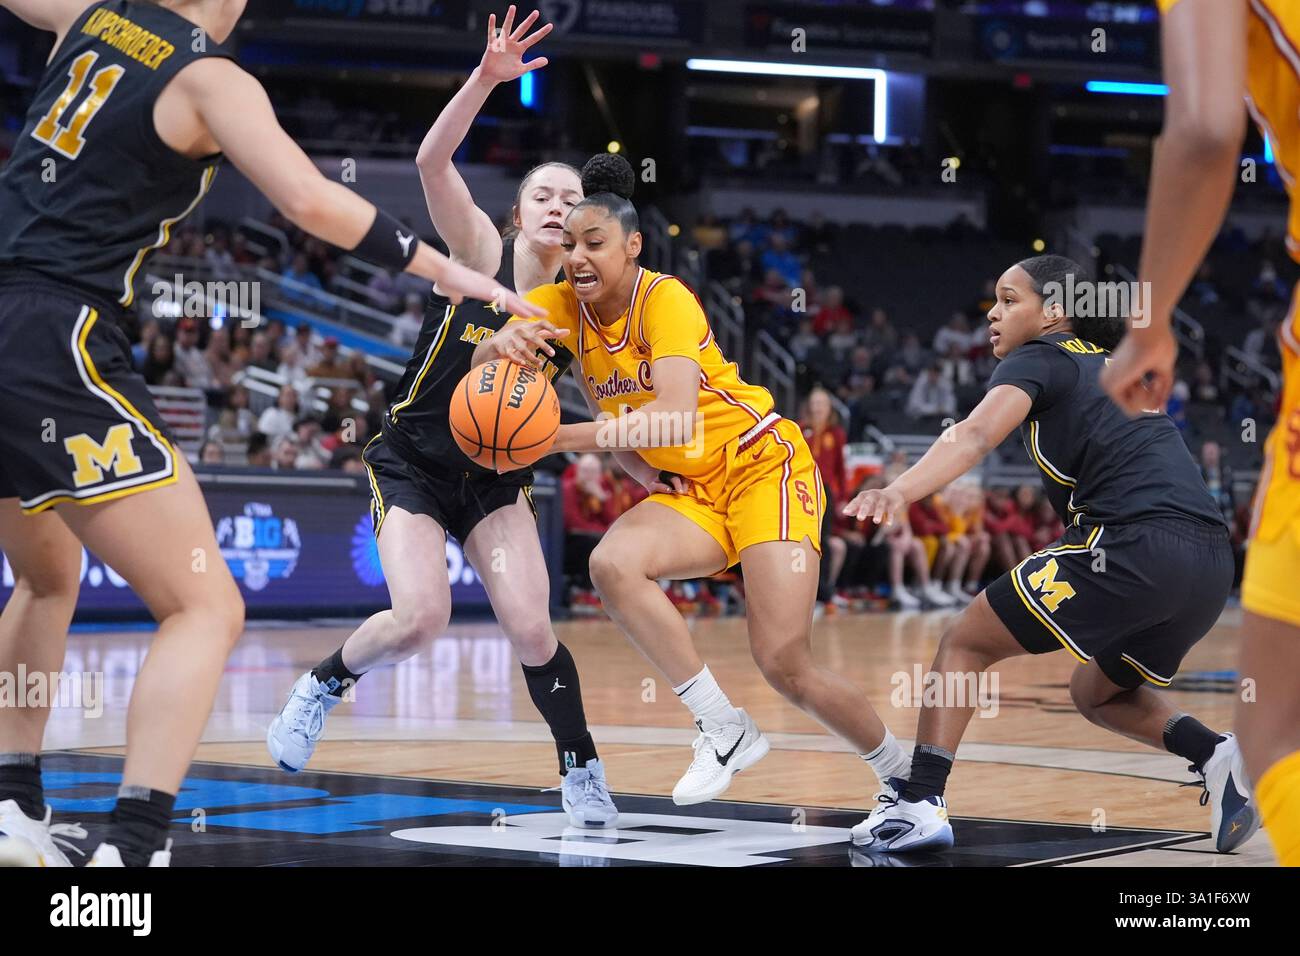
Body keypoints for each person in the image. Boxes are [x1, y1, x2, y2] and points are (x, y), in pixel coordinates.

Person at [0, 0, 540, 869]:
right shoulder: (209, 76)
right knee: (205, 605)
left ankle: (11, 808)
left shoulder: (87, 14)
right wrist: (449, 272)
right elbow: (309, 201)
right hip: (55, 331)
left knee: (46, 576)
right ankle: (131, 851)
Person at [266, 7, 618, 827]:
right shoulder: (477, 256)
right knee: (421, 618)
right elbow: (432, 161)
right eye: (544, 193)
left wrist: (643, 448)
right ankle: (322, 685)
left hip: (498, 480)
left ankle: (581, 768)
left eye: (573, 197)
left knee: (534, 629)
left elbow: (608, 411)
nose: (559, 205)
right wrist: (486, 79)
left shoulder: (581, 313)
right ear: (521, 210)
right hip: (414, 465)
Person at [477, 153, 912, 807]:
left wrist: (552, 439)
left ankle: (906, 778)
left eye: (595, 242)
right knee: (614, 564)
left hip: (764, 466)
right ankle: (723, 727)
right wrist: (494, 350)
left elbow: (674, 418)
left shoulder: (665, 298)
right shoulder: (561, 307)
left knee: (785, 663)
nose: (579, 257)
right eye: (569, 244)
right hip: (696, 491)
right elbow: (492, 351)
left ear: (633, 245)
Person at [848, 255, 1258, 854]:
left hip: (1131, 543)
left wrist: (898, 489)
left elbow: (972, 434)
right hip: (1210, 563)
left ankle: (919, 803)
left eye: (1010, 299)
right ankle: (1215, 754)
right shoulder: (1119, 370)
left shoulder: (1040, 356)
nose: (994, 312)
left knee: (964, 641)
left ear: (1056, 313)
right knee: (1097, 693)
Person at [1101, 0, 1300, 867]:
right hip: (1167, 566)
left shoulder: (1037, 376)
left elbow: (1207, 128)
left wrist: (1148, 321)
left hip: (1163, 560)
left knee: (1276, 734)